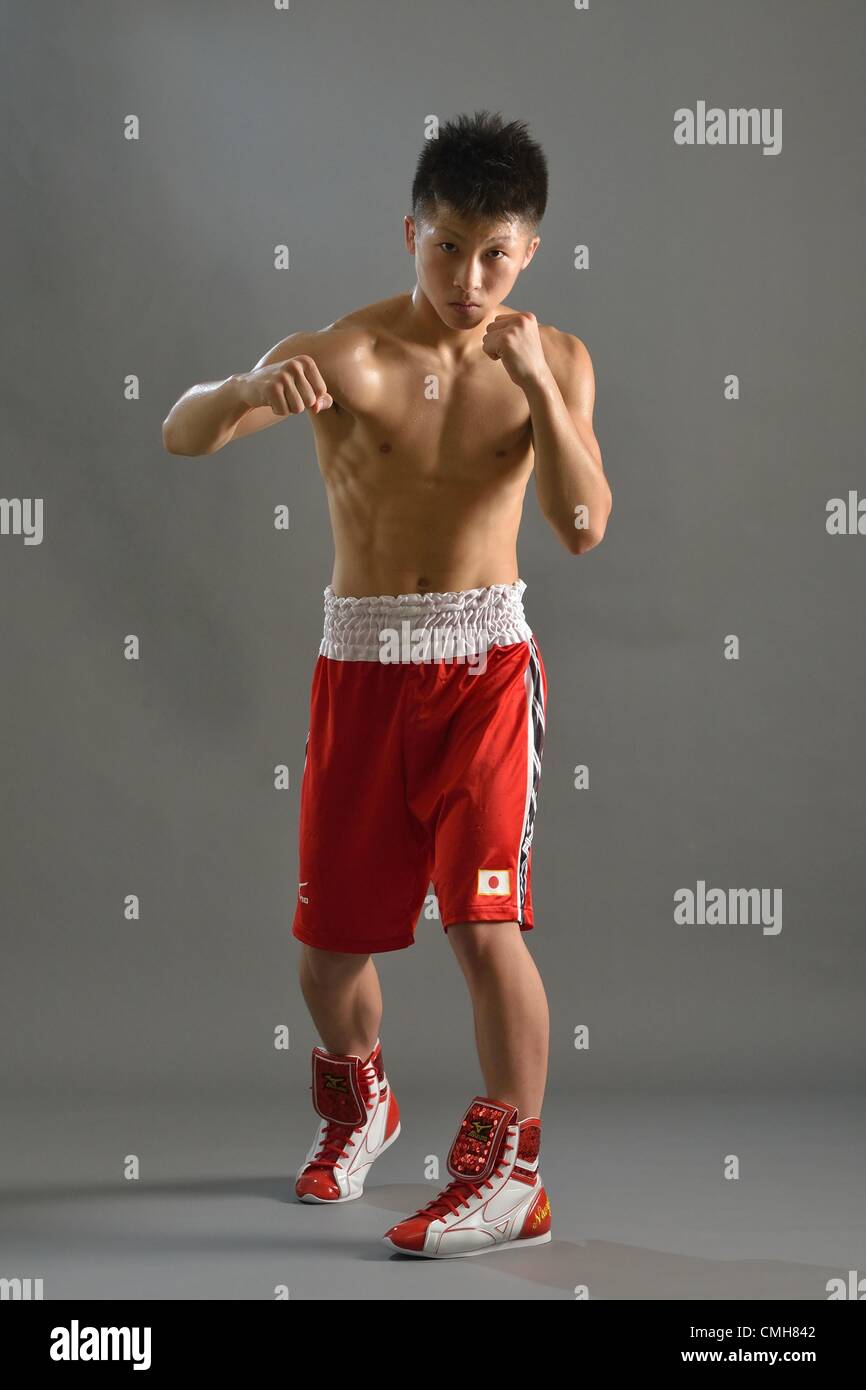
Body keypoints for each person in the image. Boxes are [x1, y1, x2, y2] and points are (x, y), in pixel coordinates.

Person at [163, 110, 611, 1259]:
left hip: (484, 669)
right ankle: (363, 1098)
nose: (470, 278)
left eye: (495, 252)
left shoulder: (554, 359)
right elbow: (183, 434)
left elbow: (581, 525)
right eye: (448, 246)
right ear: (409, 232)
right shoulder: (354, 350)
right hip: (362, 668)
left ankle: (515, 1172)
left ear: (531, 252)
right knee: (330, 951)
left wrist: (542, 393)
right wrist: (249, 386)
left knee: (481, 921)